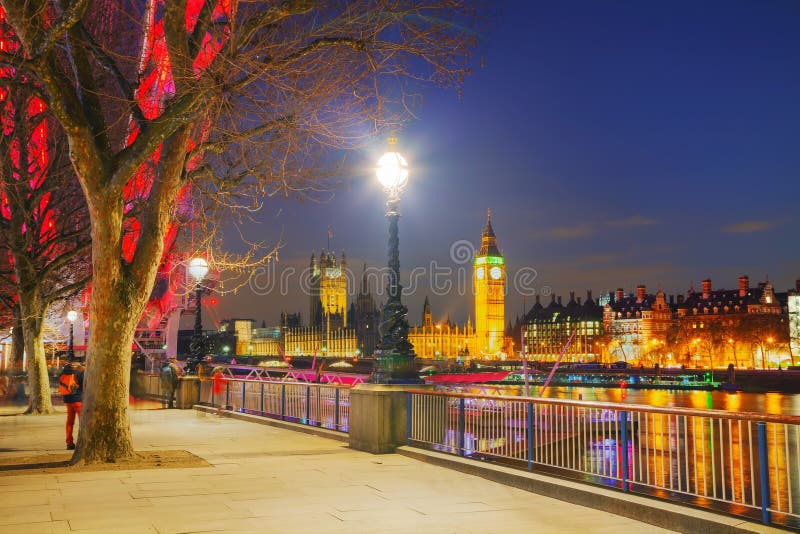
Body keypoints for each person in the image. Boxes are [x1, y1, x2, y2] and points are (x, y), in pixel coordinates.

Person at [59, 355, 85, 450]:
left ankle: (69, 443)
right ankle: (83, 441)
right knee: (83, 422)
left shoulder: (65, 370)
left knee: (70, 422)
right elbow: (84, 385)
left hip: (68, 399)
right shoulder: (81, 370)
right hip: (78, 400)